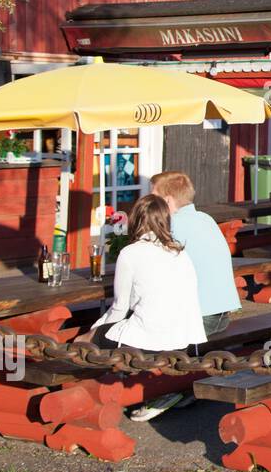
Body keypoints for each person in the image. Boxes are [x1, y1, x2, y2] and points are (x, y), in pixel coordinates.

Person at [85, 194, 205, 421]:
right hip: (182, 339)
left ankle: (79, 389)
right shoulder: (181, 253)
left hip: (150, 341)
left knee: (86, 339)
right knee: (109, 332)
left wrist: (95, 328)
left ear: (136, 220)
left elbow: (120, 308)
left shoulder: (130, 253)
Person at [151, 171, 239, 338]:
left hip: (197, 319)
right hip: (221, 316)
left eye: (153, 198)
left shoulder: (171, 225)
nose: (150, 203)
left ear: (167, 200)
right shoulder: (206, 219)